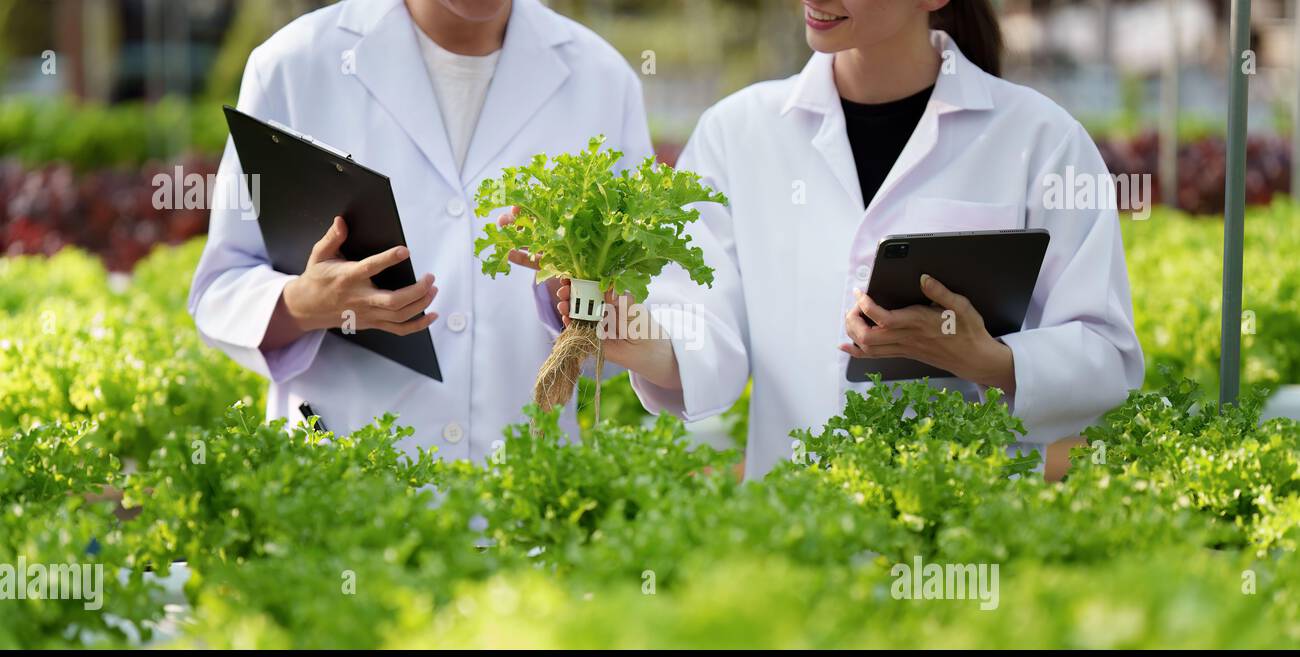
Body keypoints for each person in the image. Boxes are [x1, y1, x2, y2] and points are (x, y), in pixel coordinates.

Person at [560, 0, 1144, 478]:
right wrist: (644, 341)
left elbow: (1107, 358)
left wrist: (992, 361)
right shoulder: (736, 133)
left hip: (966, 534)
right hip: (797, 532)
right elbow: (703, 328)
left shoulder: (1040, 140)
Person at [189, 0, 652, 459]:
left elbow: (640, 317)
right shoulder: (294, 64)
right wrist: (310, 304)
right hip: (344, 482)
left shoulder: (604, 80)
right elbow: (221, 291)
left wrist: (574, 294)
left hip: (521, 488)